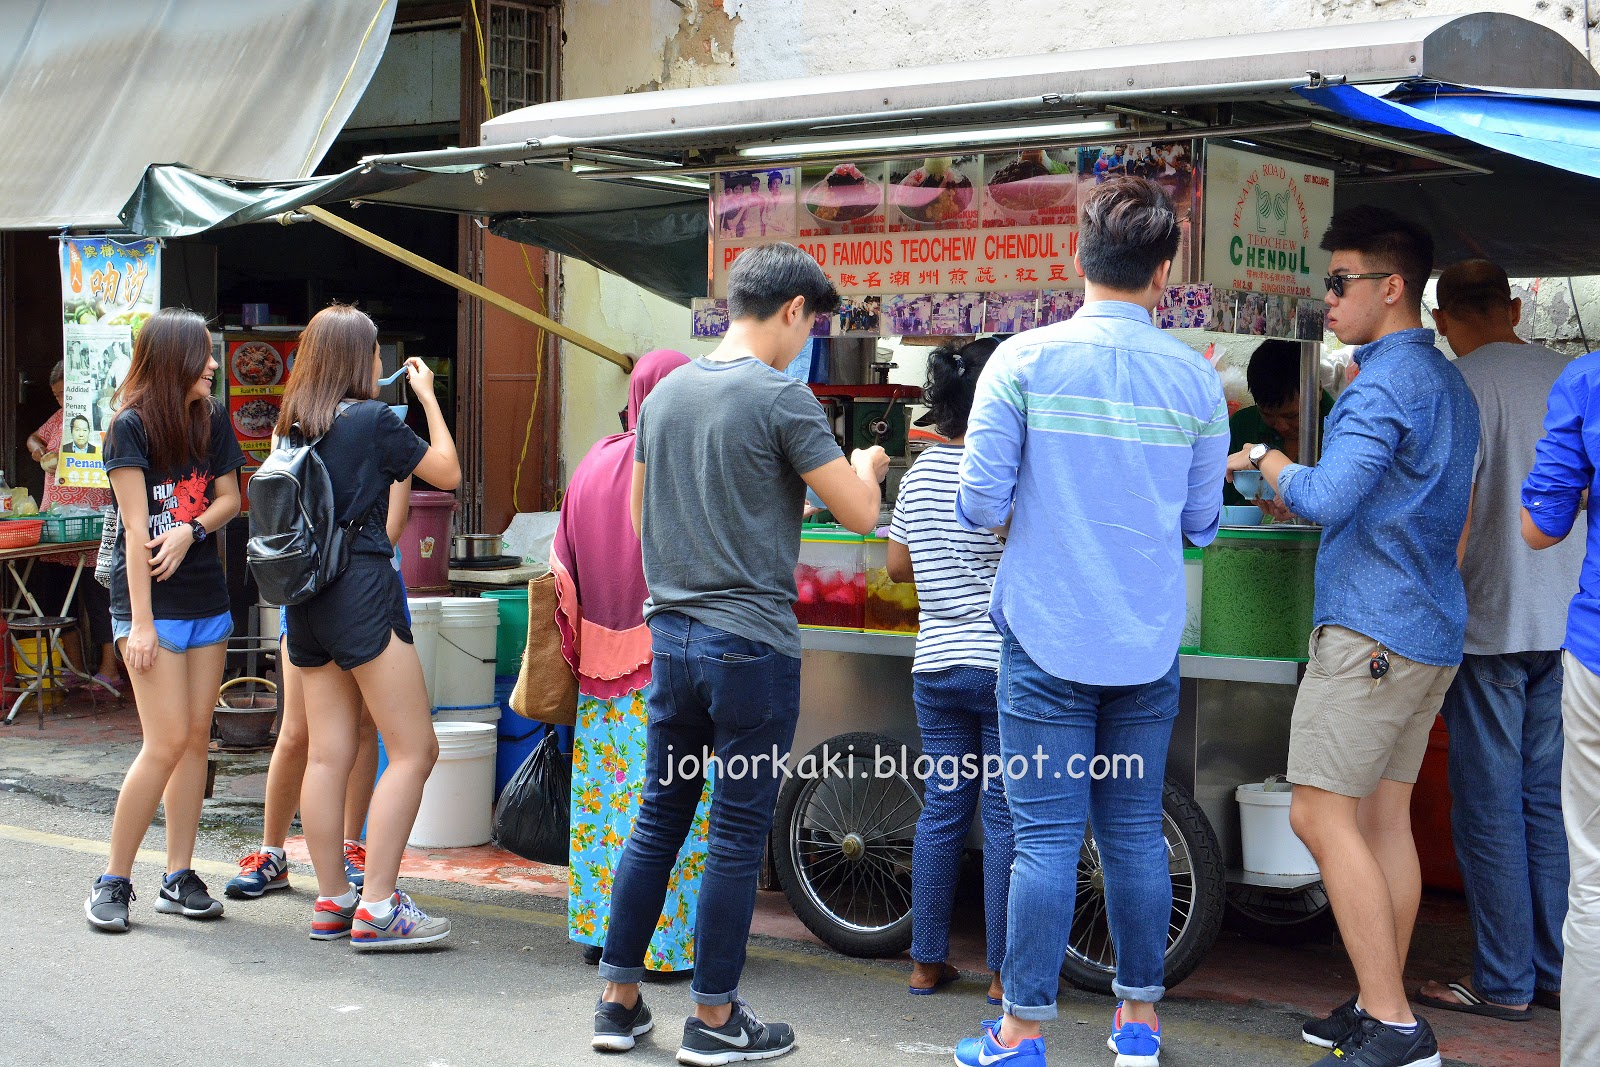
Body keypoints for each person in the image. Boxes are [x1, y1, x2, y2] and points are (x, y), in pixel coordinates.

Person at [953, 176, 1229, 1067]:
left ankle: (1023, 1032)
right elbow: (1202, 524)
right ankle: (1139, 1024)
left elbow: (977, 502)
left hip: (1043, 640)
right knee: (1134, 834)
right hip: (1145, 646)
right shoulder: (1197, 379)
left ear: (1079, 256)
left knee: (1043, 840)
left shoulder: (1021, 363)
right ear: (1164, 269)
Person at [592, 242, 886, 1063]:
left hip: (673, 641)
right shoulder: (782, 399)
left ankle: (618, 1002)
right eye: (810, 324)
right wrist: (868, 460)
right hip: (750, 651)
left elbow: (638, 518)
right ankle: (715, 1020)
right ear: (792, 310)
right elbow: (861, 513)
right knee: (734, 832)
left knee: (659, 816)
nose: (806, 341)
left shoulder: (667, 392)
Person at [1229, 206, 1479, 1067]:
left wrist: (1265, 460)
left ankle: (1396, 1022)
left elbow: (1329, 497)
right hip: (1429, 626)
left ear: (1391, 286)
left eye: (1339, 283)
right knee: (1382, 820)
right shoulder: (1447, 379)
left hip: (1371, 630)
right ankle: (1386, 1000)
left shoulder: (1380, 383)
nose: (1327, 299)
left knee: (1315, 810)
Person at [1412, 260, 1579, 1021]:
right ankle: (1553, 972)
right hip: (1566, 625)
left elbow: (1456, 518)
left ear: (1442, 320)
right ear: (1515, 306)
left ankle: (1503, 979)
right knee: (1547, 803)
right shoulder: (1572, 375)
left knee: (1486, 807)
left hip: (1489, 626)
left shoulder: (1463, 385)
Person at [277, 305, 460, 950]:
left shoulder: (292, 426)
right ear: (362, 359)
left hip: (305, 598)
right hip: (361, 589)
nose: (382, 360)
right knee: (415, 749)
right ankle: (379, 905)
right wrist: (429, 399)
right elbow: (447, 472)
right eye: (376, 351)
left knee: (328, 752)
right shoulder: (374, 420)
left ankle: (331, 899)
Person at [85, 308, 247, 932]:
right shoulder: (129, 428)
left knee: (196, 739)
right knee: (166, 741)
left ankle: (178, 875)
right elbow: (131, 530)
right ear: (174, 360)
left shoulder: (211, 420)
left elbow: (232, 498)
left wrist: (190, 528)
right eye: (203, 354)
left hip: (208, 601)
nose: (212, 364)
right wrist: (141, 626)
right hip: (151, 607)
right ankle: (113, 879)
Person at [553, 349, 707, 972]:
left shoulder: (592, 462)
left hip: (600, 665)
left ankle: (604, 935)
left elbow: (561, 570)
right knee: (674, 806)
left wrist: (586, 642)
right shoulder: (681, 465)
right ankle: (666, 945)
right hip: (673, 659)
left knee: (607, 804)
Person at [886, 337, 1013, 1005]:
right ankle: (1000, 974)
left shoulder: (922, 472)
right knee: (1001, 815)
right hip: (999, 665)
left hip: (935, 664)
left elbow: (896, 566)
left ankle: (925, 962)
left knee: (942, 811)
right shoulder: (1006, 469)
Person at [223, 479, 412, 903]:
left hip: (366, 590)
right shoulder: (296, 432)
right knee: (297, 730)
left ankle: (351, 846)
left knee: (363, 725)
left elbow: (394, 524)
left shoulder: (381, 431)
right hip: (309, 588)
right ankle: (271, 853)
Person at [1521, 331, 1600, 1067]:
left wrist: (1580, 493)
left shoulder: (1587, 380)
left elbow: (1539, 529)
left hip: (1597, 653)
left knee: (1595, 882)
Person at [26, 361, 122, 695]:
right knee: (57, 600)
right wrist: (39, 450)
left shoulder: (107, 418)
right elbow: (34, 437)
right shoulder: (58, 420)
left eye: (66, 395)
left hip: (95, 524)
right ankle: (75, 669)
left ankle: (109, 669)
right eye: (56, 397)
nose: (62, 403)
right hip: (58, 526)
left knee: (100, 598)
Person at [1222, 339, 1334, 507]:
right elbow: (1221, 501)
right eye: (1268, 415)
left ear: (1316, 390)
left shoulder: (1343, 428)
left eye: (1292, 416)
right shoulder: (1241, 426)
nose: (1282, 426)